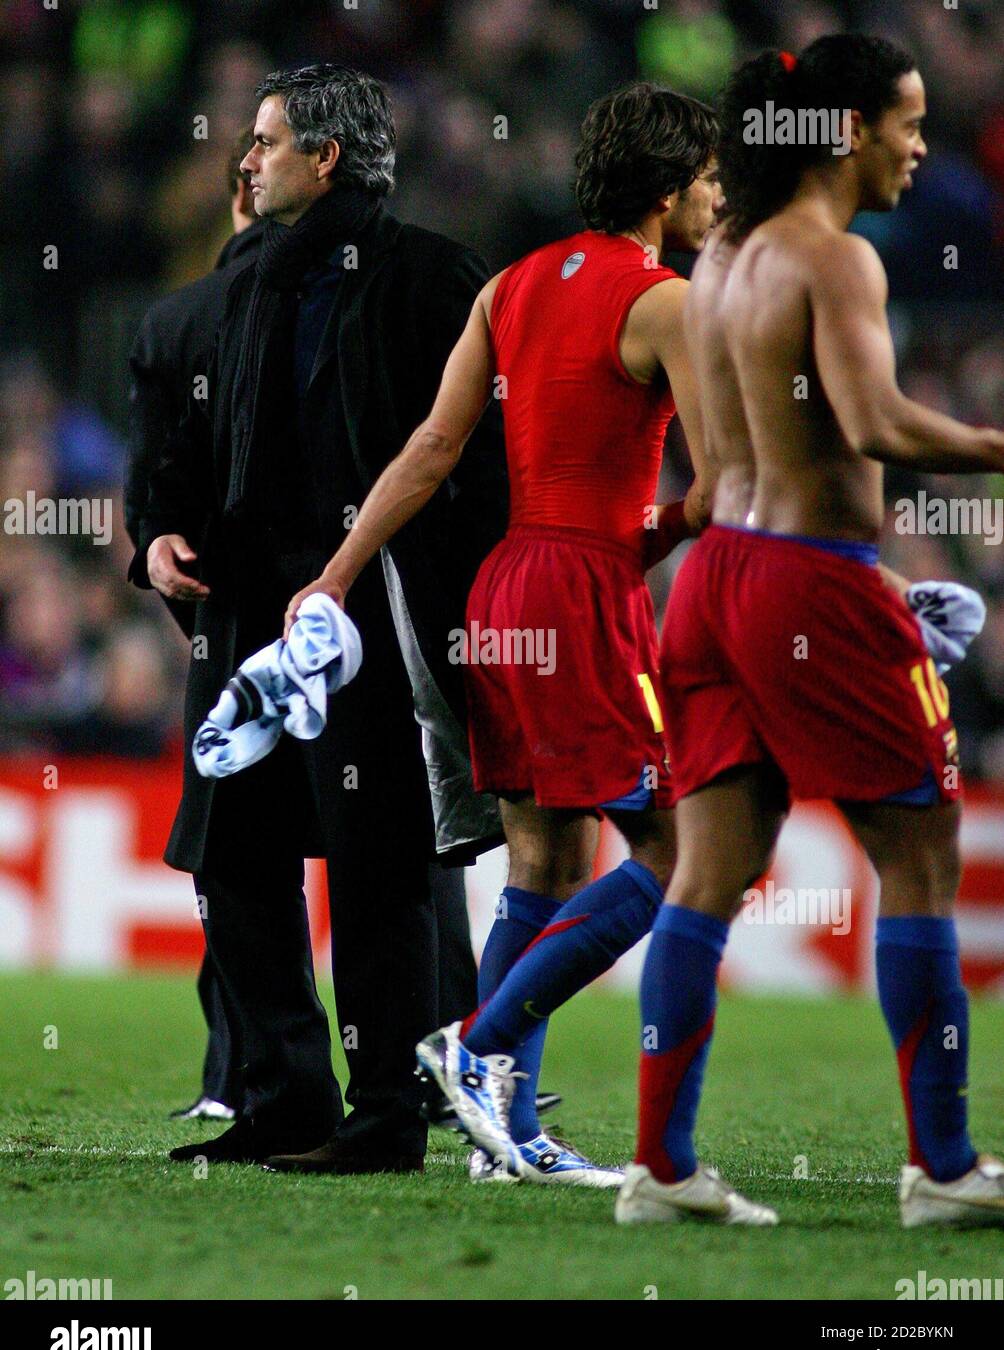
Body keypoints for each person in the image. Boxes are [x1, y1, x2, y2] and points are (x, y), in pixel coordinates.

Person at [284, 83, 722, 1183]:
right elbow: (719, 487)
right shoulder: (667, 300)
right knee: (677, 855)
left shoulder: (512, 285)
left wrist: (336, 574)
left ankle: (505, 1139)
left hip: (500, 590)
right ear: (667, 193)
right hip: (580, 591)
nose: (720, 199)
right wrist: (652, 534)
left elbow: (432, 446)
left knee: (542, 857)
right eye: (712, 180)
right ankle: (473, 1048)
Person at [615, 34, 1004, 1228]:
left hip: (713, 582)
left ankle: (659, 1170)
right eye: (906, 122)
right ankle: (941, 1170)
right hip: (808, 578)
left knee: (709, 871)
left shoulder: (722, 252)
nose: (920, 146)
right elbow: (873, 421)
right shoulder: (828, 258)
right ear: (842, 132)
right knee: (921, 854)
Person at [131, 64, 507, 1174]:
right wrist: (155, 539)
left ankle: (387, 1110)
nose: (243, 160)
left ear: (325, 156)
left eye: (264, 142)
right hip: (247, 603)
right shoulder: (242, 276)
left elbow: (475, 465)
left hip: (368, 605)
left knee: (378, 865)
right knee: (234, 859)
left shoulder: (431, 278)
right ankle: (283, 1095)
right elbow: (183, 458)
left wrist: (433, 597)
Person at [127, 123, 262, 1124]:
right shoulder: (385, 298)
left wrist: (155, 545)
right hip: (350, 618)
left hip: (226, 623)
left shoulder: (179, 321)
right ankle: (428, 1066)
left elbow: (153, 492)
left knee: (230, 846)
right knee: (394, 854)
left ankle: (237, 1075)